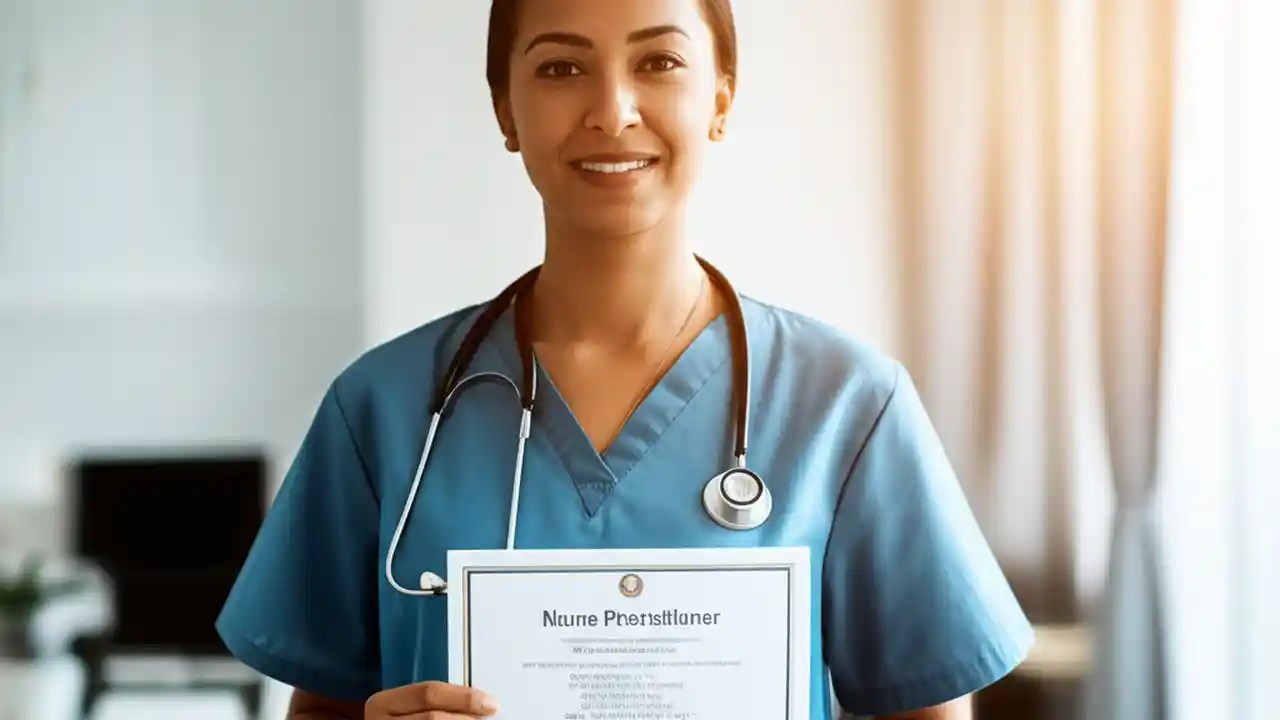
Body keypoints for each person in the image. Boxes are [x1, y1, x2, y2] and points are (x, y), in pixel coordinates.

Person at [214, 1, 1033, 718]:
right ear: (505, 109)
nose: (611, 110)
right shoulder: (382, 408)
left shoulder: (848, 406)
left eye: (659, 62)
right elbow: (321, 706)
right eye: (561, 67)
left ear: (721, 97)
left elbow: (927, 710)